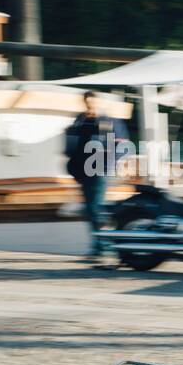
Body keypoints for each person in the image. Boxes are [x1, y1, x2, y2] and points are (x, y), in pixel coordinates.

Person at [64, 90, 131, 263]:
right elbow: (72, 146)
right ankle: (98, 247)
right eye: (87, 103)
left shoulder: (109, 122)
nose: (90, 106)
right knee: (90, 211)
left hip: (100, 171)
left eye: (92, 103)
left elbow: (122, 146)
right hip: (82, 173)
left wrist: (110, 164)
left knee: (96, 209)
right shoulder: (79, 120)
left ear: (98, 103)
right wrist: (72, 168)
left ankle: (106, 248)